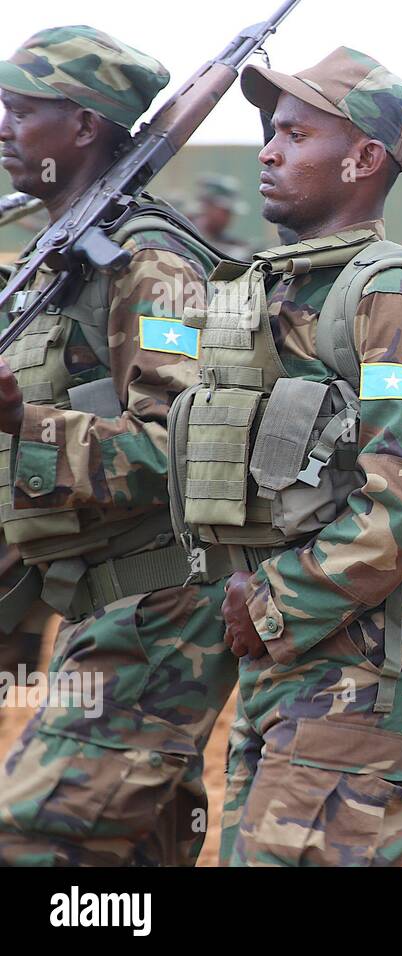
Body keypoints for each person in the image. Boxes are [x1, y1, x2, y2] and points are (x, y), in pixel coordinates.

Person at [205, 46, 402, 866]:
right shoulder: (291, 289)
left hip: (365, 667)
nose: (268, 149)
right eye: (269, 132)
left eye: (294, 132)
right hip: (295, 655)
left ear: (363, 159)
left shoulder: (391, 296)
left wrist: (274, 601)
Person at [0, 25, 236, 865]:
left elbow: (180, 454)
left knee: (36, 840)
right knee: (137, 855)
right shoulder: (56, 258)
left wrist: (17, 422)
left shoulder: (151, 264)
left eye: (21, 110)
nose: (1, 126)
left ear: (85, 126)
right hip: (98, 603)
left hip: (157, 610)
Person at [191, 173, 254, 261]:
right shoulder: (183, 233)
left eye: (231, 213)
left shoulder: (232, 244)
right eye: (224, 211)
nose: (228, 218)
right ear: (207, 205)